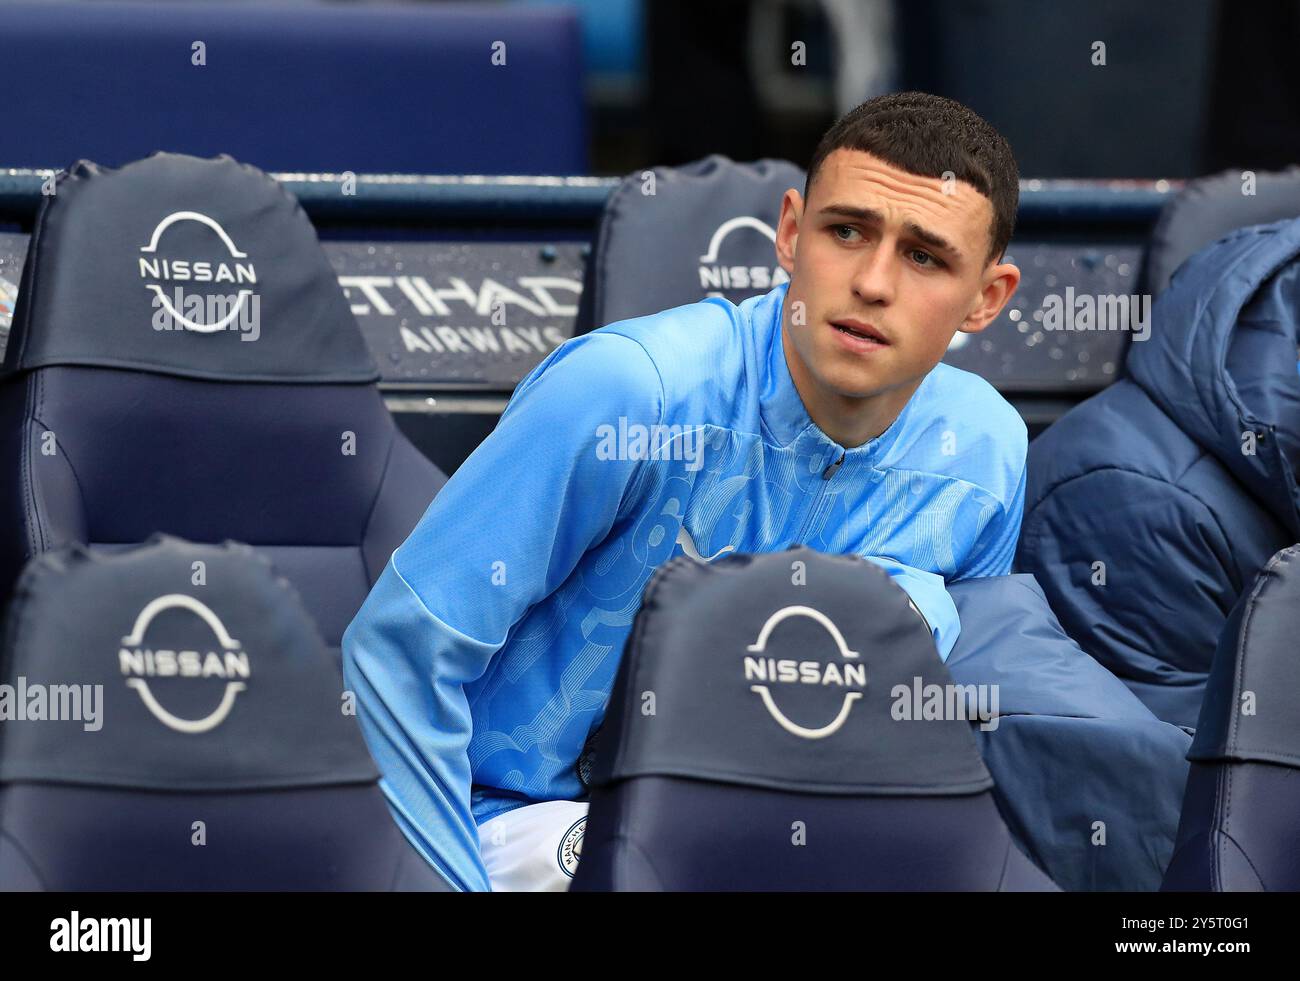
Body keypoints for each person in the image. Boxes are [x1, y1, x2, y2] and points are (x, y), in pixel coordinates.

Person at [343, 91, 1026, 891]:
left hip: (773, 828)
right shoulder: (626, 391)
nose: (873, 282)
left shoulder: (986, 450)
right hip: (505, 815)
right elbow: (397, 655)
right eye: (847, 232)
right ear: (790, 233)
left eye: (924, 256)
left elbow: (940, 724)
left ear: (987, 297)